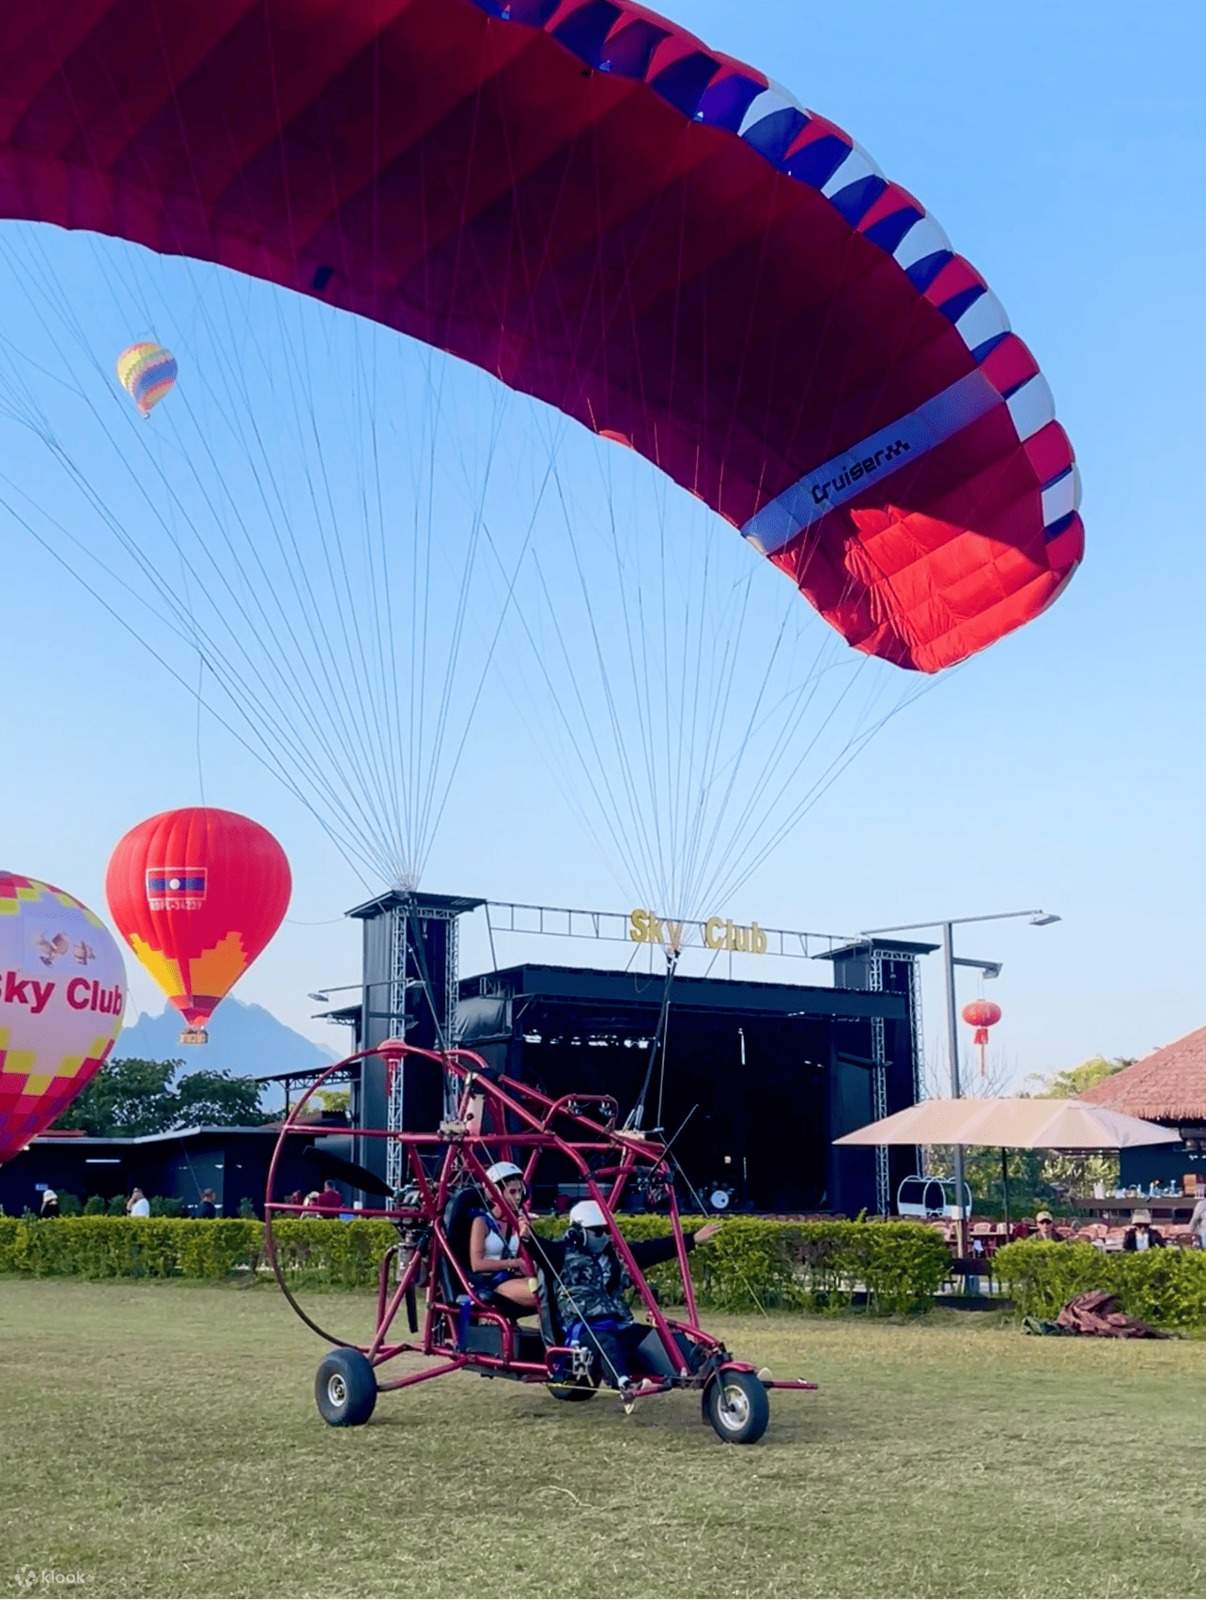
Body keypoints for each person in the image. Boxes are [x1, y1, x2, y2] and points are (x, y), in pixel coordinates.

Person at [527, 1198, 720, 1395]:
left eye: (607, 1230)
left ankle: (704, 1364)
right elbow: (539, 1248)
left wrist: (691, 1240)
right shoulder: (561, 1254)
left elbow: (652, 1249)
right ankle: (624, 1384)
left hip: (616, 1324)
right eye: (598, 1231)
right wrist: (527, 1236)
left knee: (656, 1335)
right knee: (606, 1342)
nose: (604, 1236)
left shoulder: (615, 1255)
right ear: (579, 1231)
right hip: (584, 1330)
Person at [467, 1161, 538, 1313]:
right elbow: (477, 1264)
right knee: (540, 1295)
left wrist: (527, 1237)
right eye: (512, 1192)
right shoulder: (482, 1222)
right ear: (496, 1193)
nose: (518, 1197)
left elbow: (531, 1256)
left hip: (513, 1277)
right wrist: (515, 1263)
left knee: (556, 1290)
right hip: (491, 1281)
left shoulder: (519, 1221)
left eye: (520, 1191)